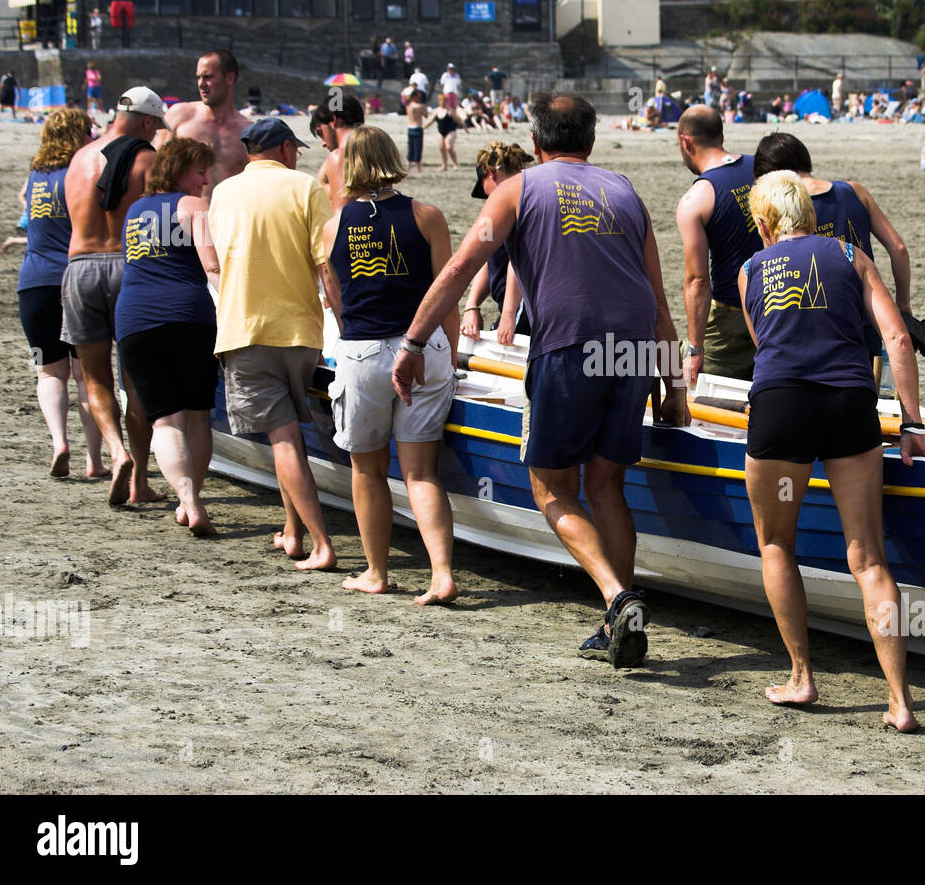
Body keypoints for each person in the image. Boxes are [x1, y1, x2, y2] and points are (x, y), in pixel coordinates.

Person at [391, 93, 688, 668]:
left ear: (535, 143)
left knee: (551, 489)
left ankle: (618, 596)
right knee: (607, 487)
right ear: (592, 140)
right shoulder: (626, 191)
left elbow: (459, 269)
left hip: (569, 347)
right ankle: (617, 621)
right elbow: (660, 303)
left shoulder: (519, 188)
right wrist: (675, 384)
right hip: (631, 352)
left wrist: (411, 343)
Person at [736, 170, 925, 732]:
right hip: (849, 404)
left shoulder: (749, 272)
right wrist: (911, 422)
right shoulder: (849, 254)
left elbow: (764, 344)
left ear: (766, 223)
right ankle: (899, 702)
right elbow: (895, 337)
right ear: (811, 216)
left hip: (781, 408)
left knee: (775, 543)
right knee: (868, 557)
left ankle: (801, 677)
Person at [322, 126, 459, 603]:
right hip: (422, 347)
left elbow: (336, 303)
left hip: (362, 350)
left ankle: (376, 572)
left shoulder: (333, 225)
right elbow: (447, 295)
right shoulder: (427, 216)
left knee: (367, 469)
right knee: (421, 471)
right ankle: (441, 573)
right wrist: (451, 355)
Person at [209, 118, 338, 571]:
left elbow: (221, 258)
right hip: (300, 330)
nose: (298, 157)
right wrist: (343, 321)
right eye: (295, 150)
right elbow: (327, 265)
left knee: (282, 438)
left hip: (245, 328)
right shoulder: (304, 188)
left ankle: (321, 544)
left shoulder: (222, 193)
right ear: (283, 149)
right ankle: (295, 532)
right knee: (287, 435)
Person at [63, 86, 167, 505]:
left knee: (93, 376)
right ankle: (140, 481)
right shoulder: (146, 158)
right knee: (135, 378)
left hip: (80, 266)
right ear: (146, 122)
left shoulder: (79, 158)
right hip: (128, 266)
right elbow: (161, 216)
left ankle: (116, 450)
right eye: (157, 126)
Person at [115, 138, 221, 536]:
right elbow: (211, 265)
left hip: (135, 321)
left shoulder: (134, 212)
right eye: (200, 172)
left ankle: (188, 500)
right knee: (196, 415)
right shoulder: (193, 206)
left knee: (164, 421)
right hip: (188, 317)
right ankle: (193, 500)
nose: (206, 180)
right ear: (179, 170)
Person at [14, 108, 106, 480]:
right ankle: (94, 460)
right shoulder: (82, 174)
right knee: (87, 374)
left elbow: (24, 200)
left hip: (33, 282)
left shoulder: (36, 175)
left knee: (48, 372)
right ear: (79, 135)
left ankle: (59, 443)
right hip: (74, 278)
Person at [751, 132, 912, 319]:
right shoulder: (855, 191)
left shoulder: (777, 206)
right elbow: (898, 248)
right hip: (866, 312)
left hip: (815, 317)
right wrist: (903, 304)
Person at [676, 105, 764, 384]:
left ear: (685, 142)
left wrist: (695, 348)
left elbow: (697, 281)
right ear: (720, 135)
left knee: (694, 389)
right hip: (779, 303)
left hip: (733, 314)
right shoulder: (763, 167)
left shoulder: (696, 199)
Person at [460, 141, 536, 344]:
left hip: (527, 306)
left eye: (483, 189)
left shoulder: (519, 202)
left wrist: (509, 314)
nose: (485, 196)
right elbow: (487, 255)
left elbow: (518, 259)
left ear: (490, 174)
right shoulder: (520, 195)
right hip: (515, 303)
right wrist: (472, 305)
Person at [158, 50, 253, 195]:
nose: (201, 84)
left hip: (227, 215)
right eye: (199, 77)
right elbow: (157, 169)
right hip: (182, 213)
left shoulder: (247, 131)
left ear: (230, 78)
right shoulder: (180, 116)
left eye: (208, 77)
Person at [309, 92, 366, 209]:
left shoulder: (340, 155)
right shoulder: (376, 149)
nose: (323, 143)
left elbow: (344, 214)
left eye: (321, 132)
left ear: (334, 120)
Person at [421, 100, 463, 170]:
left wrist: (464, 127)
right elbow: (430, 121)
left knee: (449, 147)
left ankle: (455, 165)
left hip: (451, 131)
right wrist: (423, 127)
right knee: (441, 148)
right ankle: (444, 166)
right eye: (441, 101)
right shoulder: (437, 111)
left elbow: (458, 120)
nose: (443, 103)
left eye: (444, 101)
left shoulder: (450, 110)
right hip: (441, 132)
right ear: (439, 102)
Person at [404, 88, 426, 171]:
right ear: (415, 97)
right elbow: (426, 115)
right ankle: (418, 167)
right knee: (418, 148)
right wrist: (424, 108)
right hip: (417, 127)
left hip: (410, 128)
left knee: (410, 147)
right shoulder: (419, 106)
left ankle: (408, 166)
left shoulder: (408, 106)